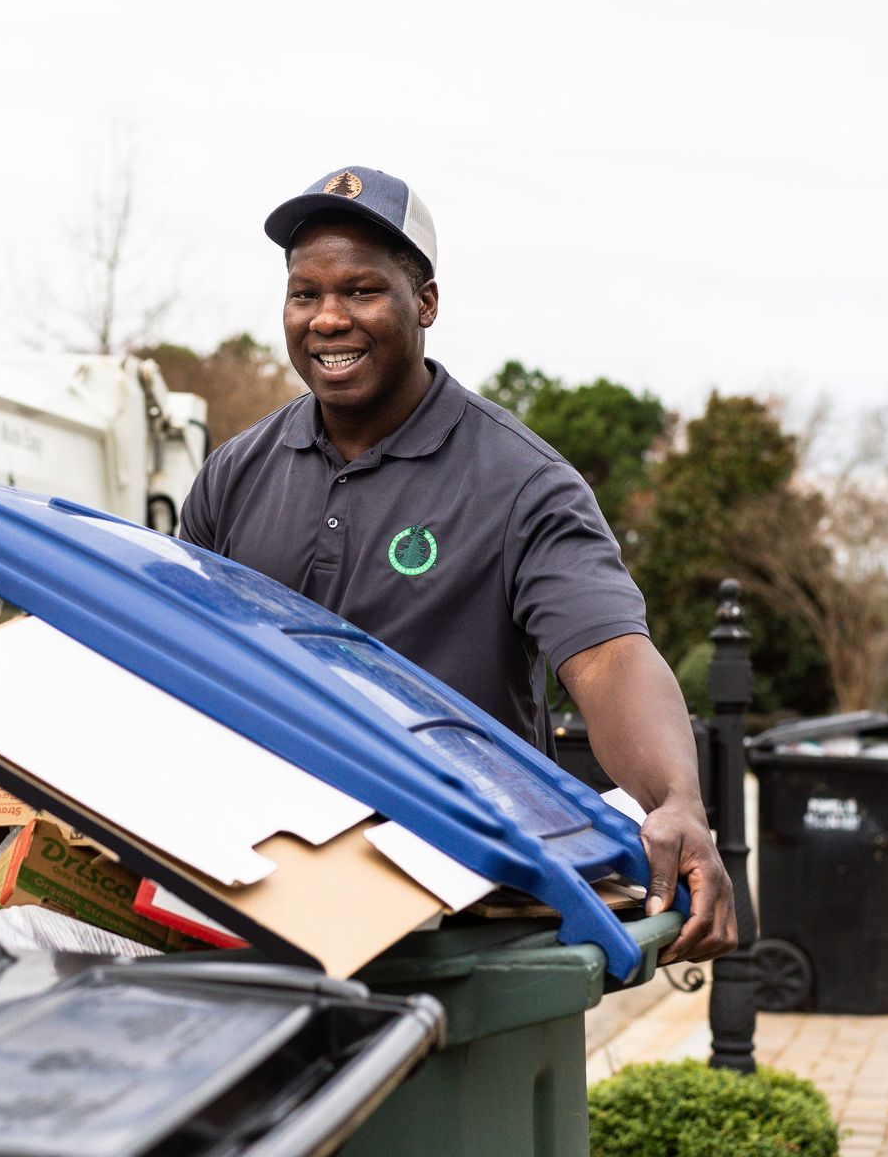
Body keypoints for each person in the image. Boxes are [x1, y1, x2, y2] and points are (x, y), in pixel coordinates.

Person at [178, 165, 737, 964]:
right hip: (261, 881)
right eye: (305, 295)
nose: (328, 319)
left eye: (362, 291)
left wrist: (676, 799)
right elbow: (171, 644)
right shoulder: (239, 470)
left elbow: (608, 656)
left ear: (426, 303)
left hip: (456, 904)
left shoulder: (520, 483)